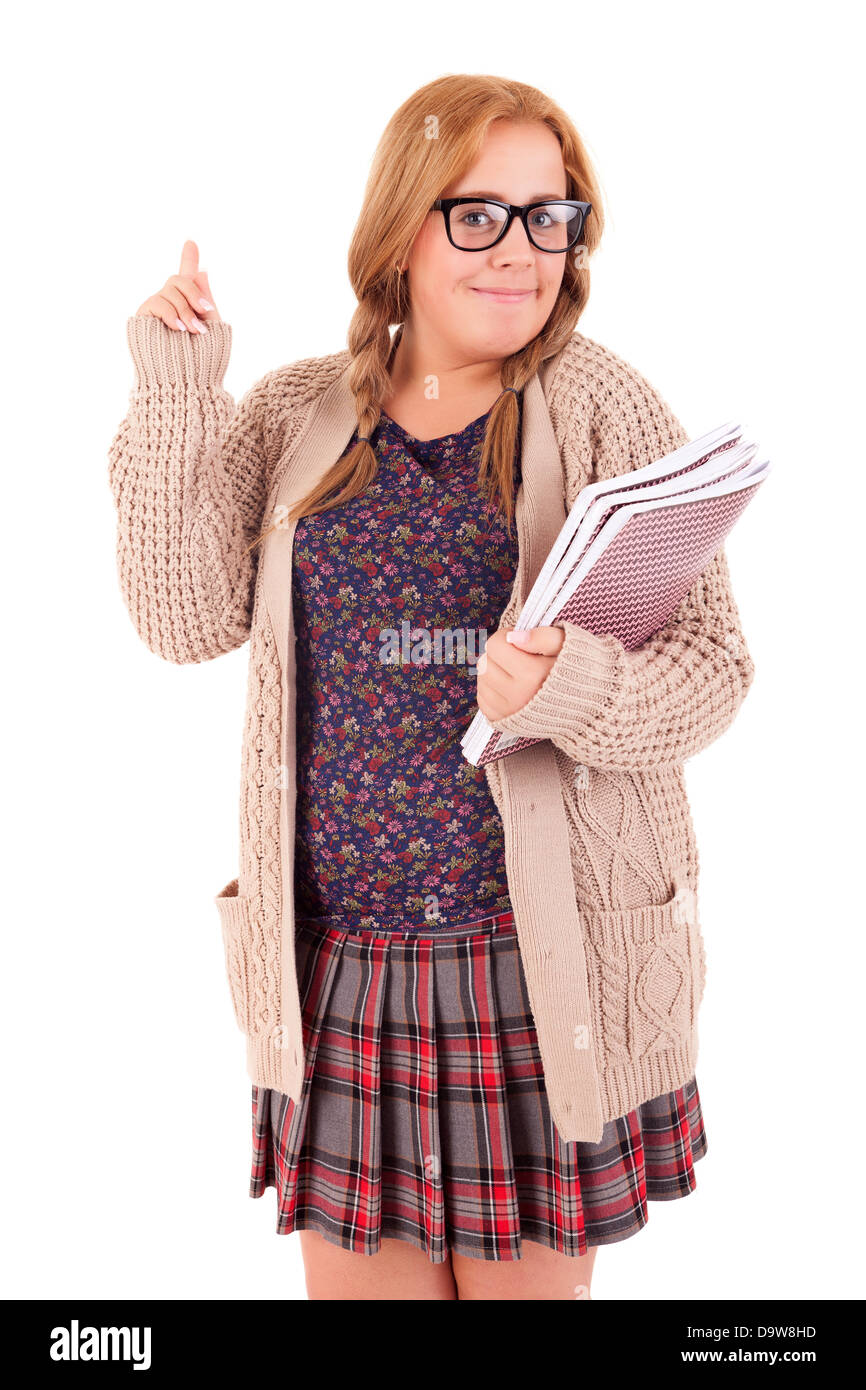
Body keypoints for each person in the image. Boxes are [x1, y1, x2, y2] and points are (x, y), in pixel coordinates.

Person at [108, 73, 755, 1301]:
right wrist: (177, 388)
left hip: (533, 965)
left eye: (549, 217)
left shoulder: (598, 402)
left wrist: (566, 686)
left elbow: (712, 670)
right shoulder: (301, 413)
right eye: (480, 216)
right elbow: (182, 619)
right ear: (402, 225)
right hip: (335, 970)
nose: (522, 252)